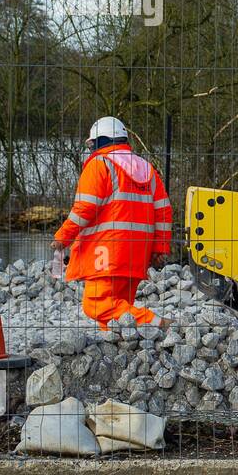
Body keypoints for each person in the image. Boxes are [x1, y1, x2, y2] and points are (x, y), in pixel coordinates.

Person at [52, 116, 173, 330]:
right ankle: (116, 349)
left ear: (99, 141)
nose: (91, 150)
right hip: (138, 252)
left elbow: (84, 208)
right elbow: (163, 212)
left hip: (108, 251)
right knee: (119, 307)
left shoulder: (101, 164)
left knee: (97, 306)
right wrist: (159, 248)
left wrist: (63, 237)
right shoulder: (147, 169)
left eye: (91, 145)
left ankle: (156, 323)